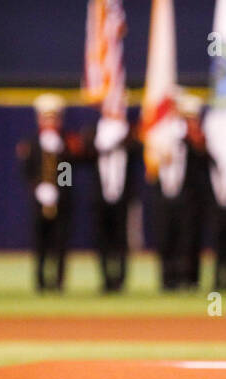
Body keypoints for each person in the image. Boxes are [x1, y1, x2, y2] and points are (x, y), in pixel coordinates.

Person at [16, 93, 84, 292]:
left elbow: (68, 172)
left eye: (53, 117)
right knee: (40, 242)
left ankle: (59, 282)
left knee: (61, 242)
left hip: (61, 201)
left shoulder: (66, 142)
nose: (50, 121)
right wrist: (38, 189)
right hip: (39, 201)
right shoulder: (31, 143)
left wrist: (59, 190)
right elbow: (27, 172)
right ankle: (40, 281)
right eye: (46, 117)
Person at [154, 92, 213, 291]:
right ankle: (168, 279)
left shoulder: (198, 140)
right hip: (167, 195)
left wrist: (194, 139)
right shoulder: (168, 135)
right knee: (166, 238)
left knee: (190, 239)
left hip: (191, 199)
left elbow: (206, 161)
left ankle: (190, 279)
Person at [80, 103, 141, 293]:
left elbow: (138, 150)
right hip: (97, 199)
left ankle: (120, 281)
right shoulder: (89, 135)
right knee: (101, 240)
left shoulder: (129, 136)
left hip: (122, 198)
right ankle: (48, 284)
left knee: (121, 240)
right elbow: (67, 162)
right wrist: (61, 186)